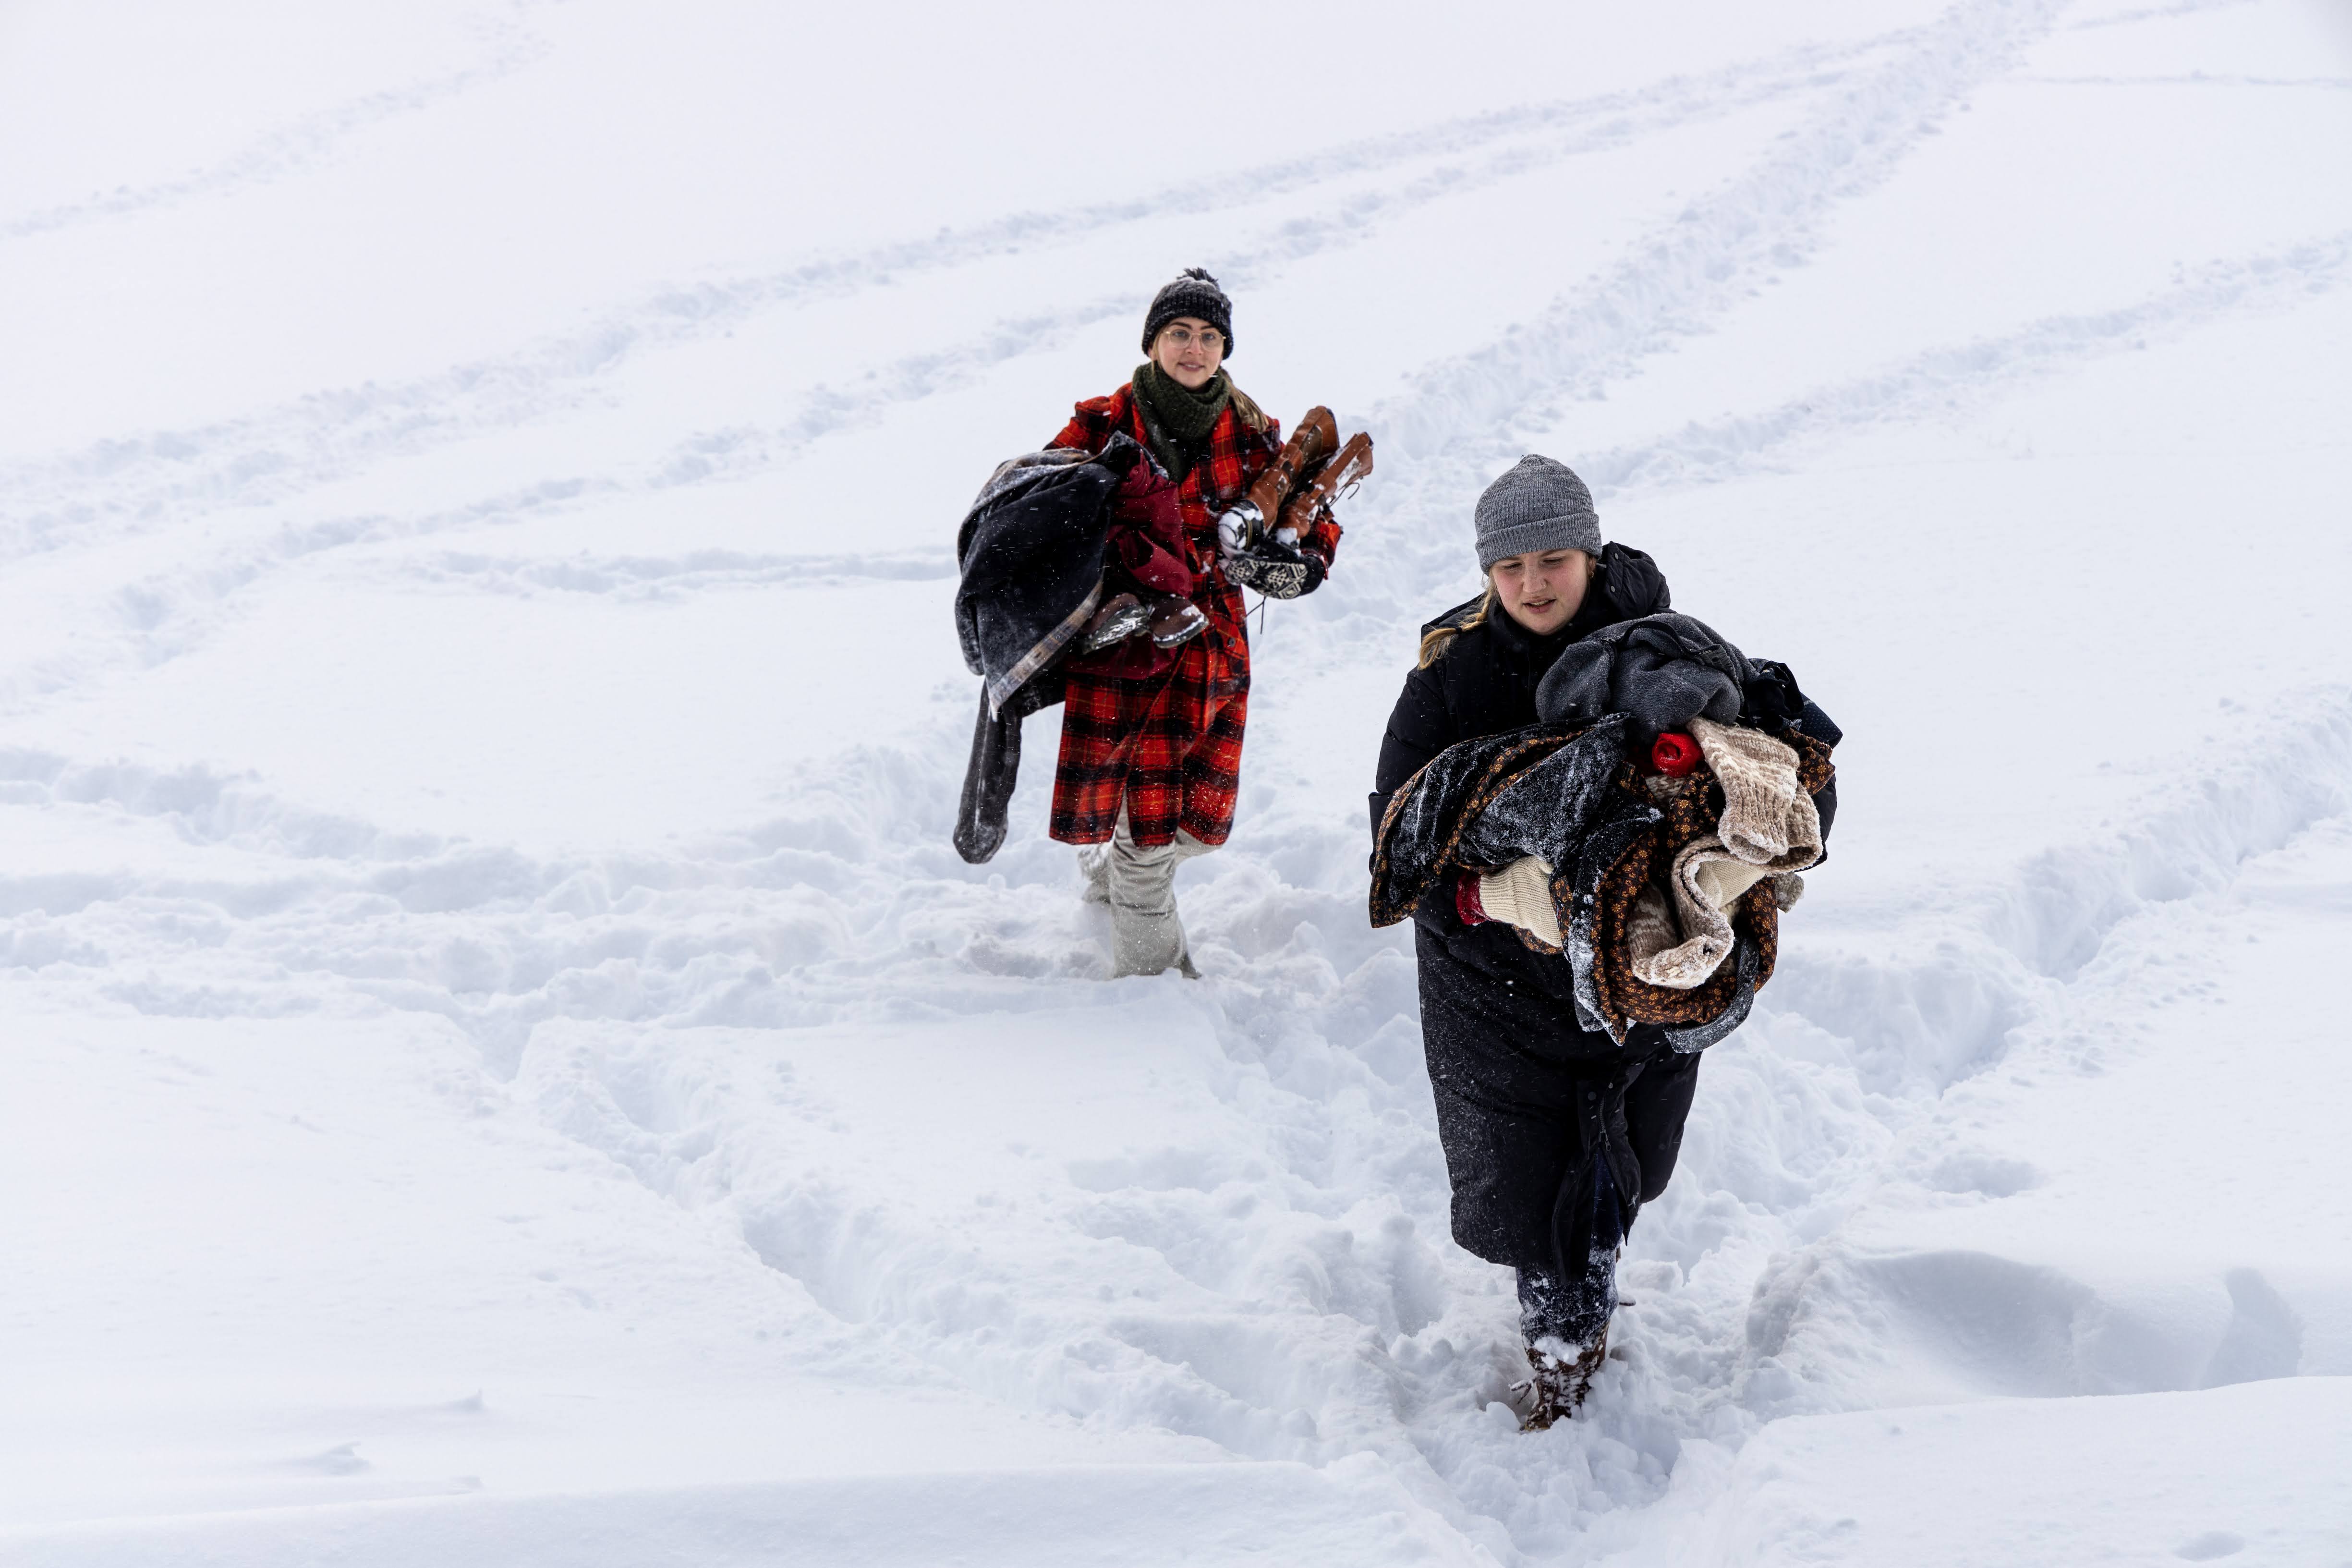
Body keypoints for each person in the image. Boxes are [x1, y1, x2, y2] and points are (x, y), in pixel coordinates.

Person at [1370, 454, 1696, 1426]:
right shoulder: (1448, 683)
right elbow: (1394, 840)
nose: (1531, 584)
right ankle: (1561, 1359)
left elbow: (1760, 769)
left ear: (1589, 554)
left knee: (1626, 1155)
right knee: (1533, 1183)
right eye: (1509, 568)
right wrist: (1487, 897)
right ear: (1485, 574)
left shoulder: (1661, 654)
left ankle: (1586, 1284)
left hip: (1637, 969)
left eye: (1553, 558)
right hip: (1491, 986)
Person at [1046, 269, 1340, 977]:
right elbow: (1042, 516)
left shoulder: (1250, 429)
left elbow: (1315, 516)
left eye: (1209, 336)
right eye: (1179, 333)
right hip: (1129, 649)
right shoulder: (1104, 422)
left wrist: (1303, 562)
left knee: (1201, 827)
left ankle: (1111, 875)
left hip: (1216, 648)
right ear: (1153, 341)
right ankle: (1152, 991)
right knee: (1149, 839)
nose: (1194, 348)